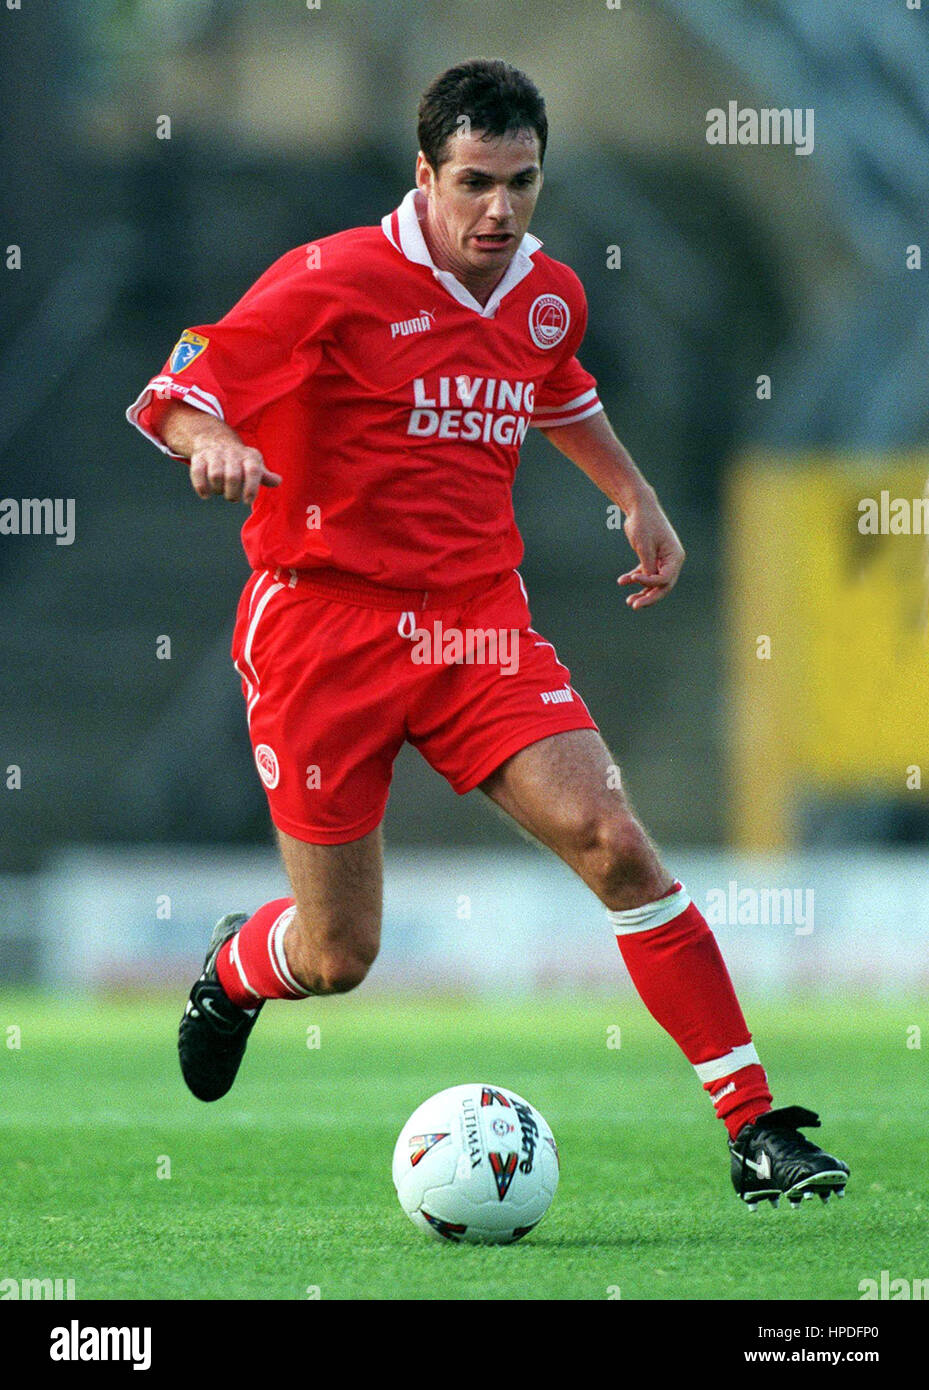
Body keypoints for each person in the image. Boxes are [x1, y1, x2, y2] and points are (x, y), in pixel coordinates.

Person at [127, 58, 848, 1209]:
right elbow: (185, 382)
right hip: (323, 629)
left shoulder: (544, 287)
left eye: (521, 184)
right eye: (474, 183)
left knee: (613, 839)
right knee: (338, 954)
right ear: (424, 174)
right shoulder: (332, 279)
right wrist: (204, 438)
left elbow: (552, 379)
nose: (499, 211)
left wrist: (632, 494)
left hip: (476, 627)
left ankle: (755, 1126)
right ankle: (232, 967)